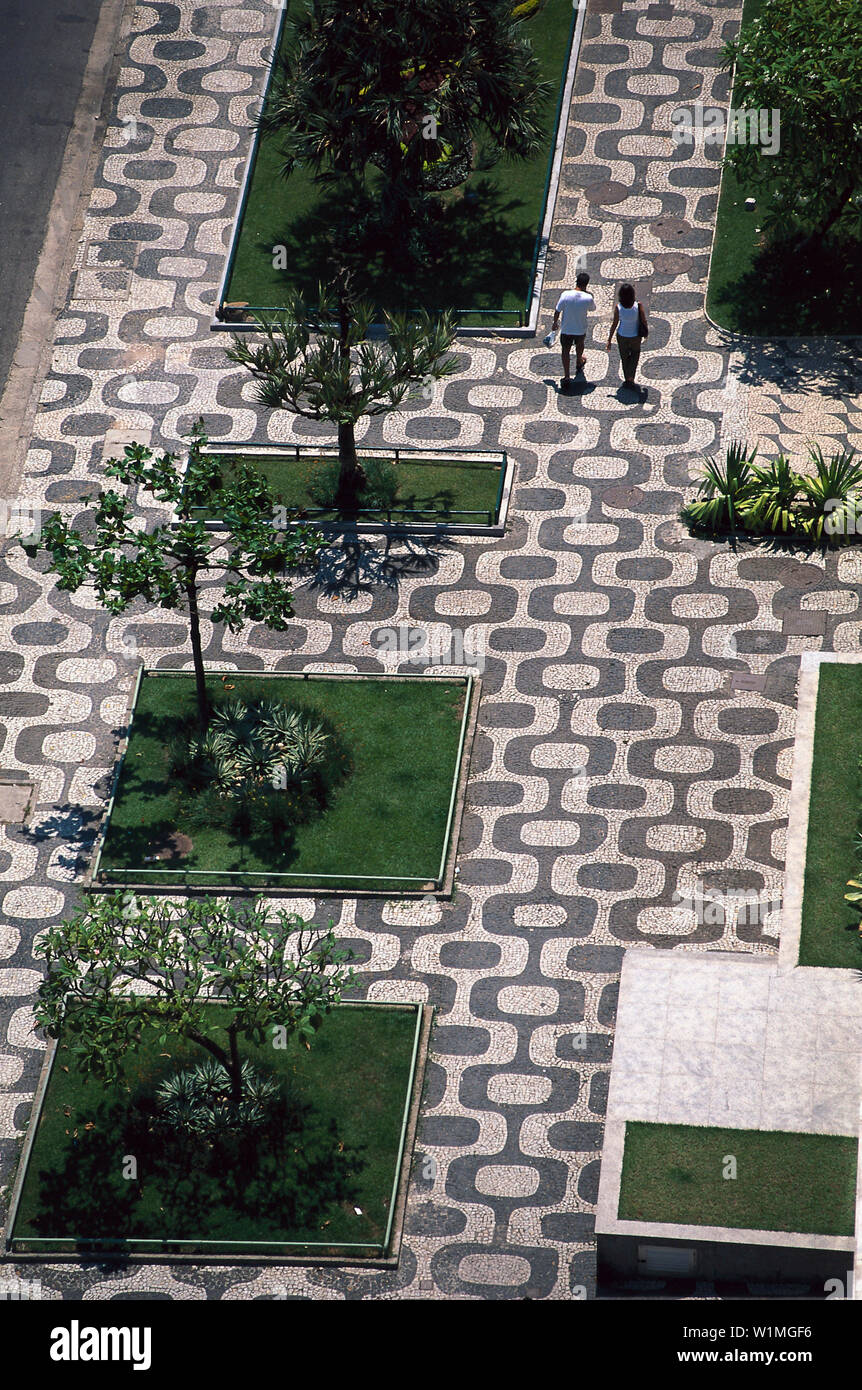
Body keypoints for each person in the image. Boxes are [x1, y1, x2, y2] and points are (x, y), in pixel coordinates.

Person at [552, 271, 595, 382]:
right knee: (580, 345)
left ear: (576, 281)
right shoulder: (588, 297)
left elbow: (557, 310)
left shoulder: (565, 295)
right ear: (586, 284)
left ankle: (566, 376)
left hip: (566, 329)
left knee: (565, 351)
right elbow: (592, 308)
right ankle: (579, 361)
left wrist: (555, 323)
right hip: (580, 329)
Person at [606, 282, 648, 388]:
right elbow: (643, 320)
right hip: (635, 336)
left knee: (624, 357)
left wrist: (609, 339)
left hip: (622, 335)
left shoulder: (618, 307)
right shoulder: (638, 306)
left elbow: (615, 324)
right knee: (635, 356)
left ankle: (627, 378)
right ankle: (631, 378)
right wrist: (646, 333)